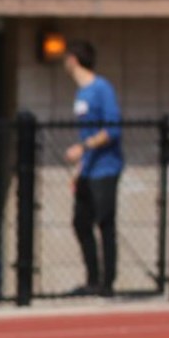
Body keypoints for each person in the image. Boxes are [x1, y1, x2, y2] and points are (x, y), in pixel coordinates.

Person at [61, 39, 123, 295]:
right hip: (87, 169)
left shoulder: (101, 88)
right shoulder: (80, 93)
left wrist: (83, 149)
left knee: (105, 222)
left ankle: (107, 283)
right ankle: (92, 278)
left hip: (106, 168)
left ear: (74, 59)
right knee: (80, 222)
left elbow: (112, 129)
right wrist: (79, 170)